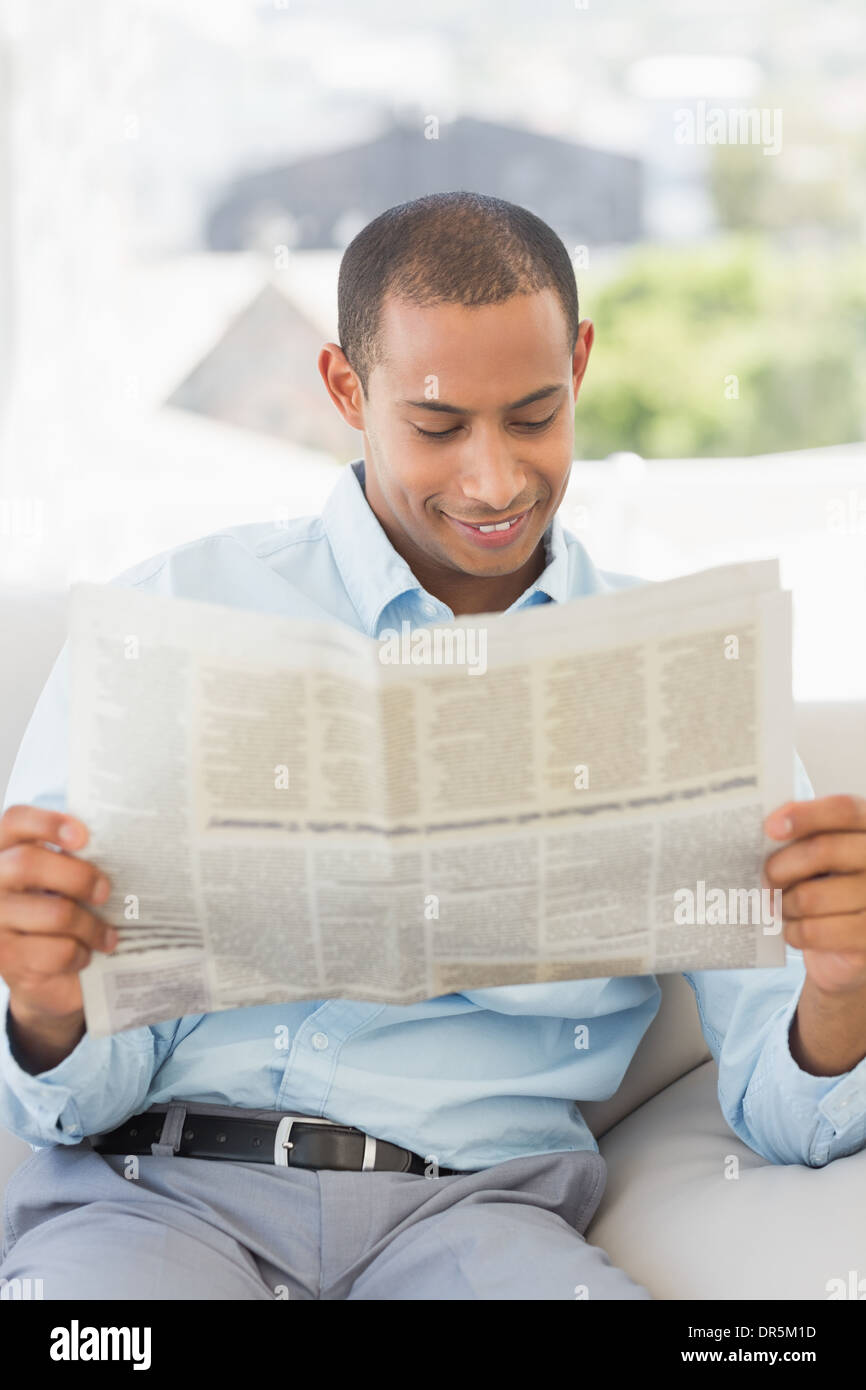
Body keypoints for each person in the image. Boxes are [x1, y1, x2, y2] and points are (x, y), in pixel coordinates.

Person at [2, 192, 865, 1302]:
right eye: (438, 424)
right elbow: (56, 1103)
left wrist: (839, 983)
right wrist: (46, 1001)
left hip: (474, 1221)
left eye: (533, 414)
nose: (495, 481)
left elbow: (793, 1121)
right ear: (345, 389)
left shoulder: (680, 670)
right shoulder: (172, 616)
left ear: (581, 364)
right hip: (154, 1200)